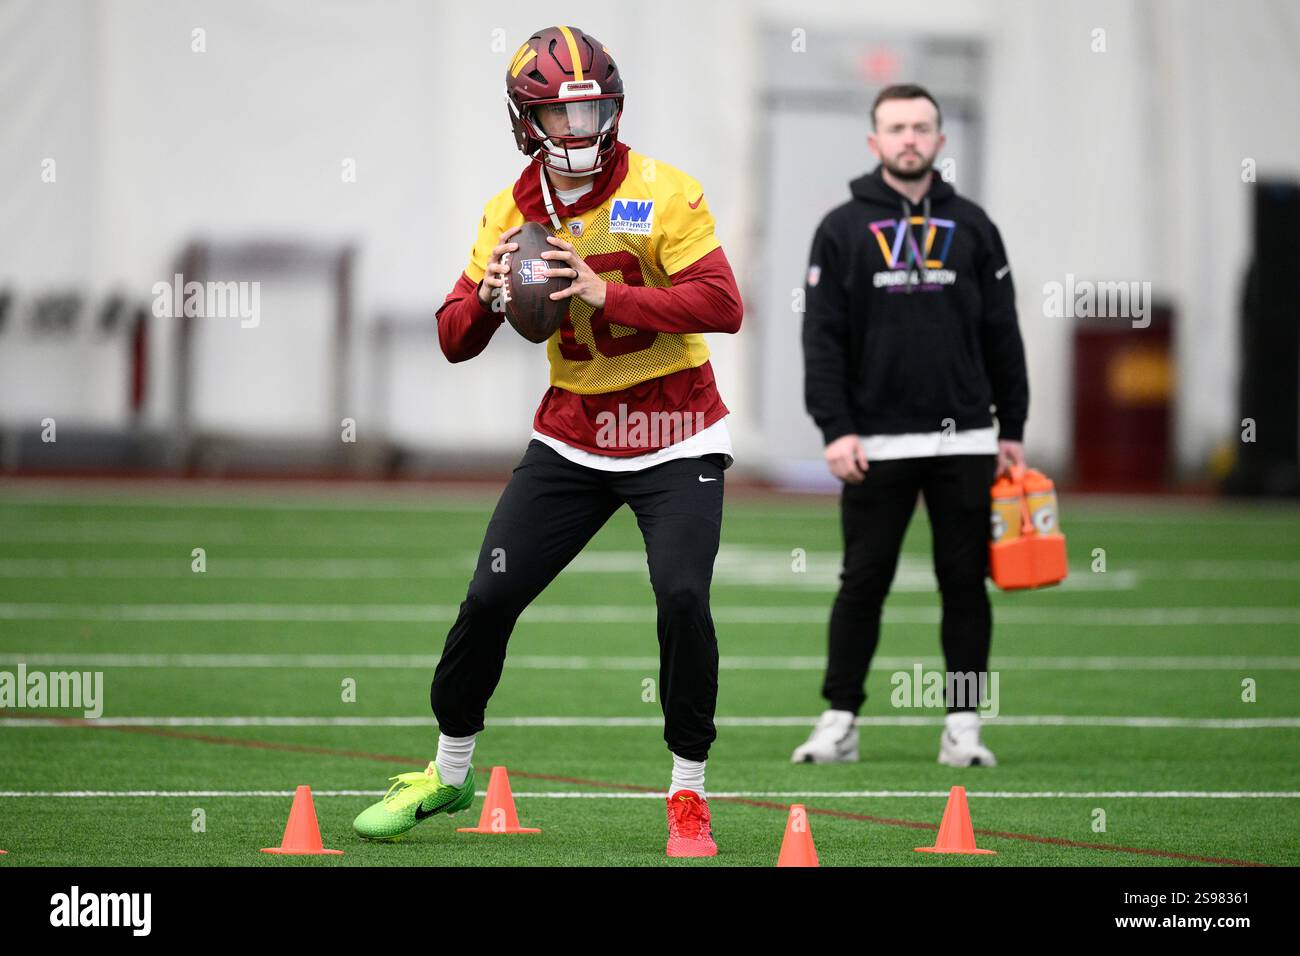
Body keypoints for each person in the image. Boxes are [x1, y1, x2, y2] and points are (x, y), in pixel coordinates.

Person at [352, 25, 742, 857]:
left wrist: (605, 292)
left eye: (593, 109)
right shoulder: (510, 210)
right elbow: (454, 337)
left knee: (681, 596)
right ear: (525, 121)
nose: (579, 129)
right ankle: (447, 771)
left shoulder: (663, 189)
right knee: (489, 597)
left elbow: (724, 305)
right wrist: (491, 296)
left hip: (675, 430)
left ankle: (687, 793)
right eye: (561, 117)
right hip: (573, 435)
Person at [794, 84, 1028, 767]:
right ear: (874, 141)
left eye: (922, 127)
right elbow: (823, 338)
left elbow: (1003, 331)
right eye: (896, 127)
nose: (909, 138)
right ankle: (839, 720)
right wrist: (834, 427)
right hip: (875, 441)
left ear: (940, 141)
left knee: (965, 584)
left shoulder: (977, 226)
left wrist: (1010, 423)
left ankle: (963, 725)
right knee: (862, 583)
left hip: (967, 441)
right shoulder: (839, 229)